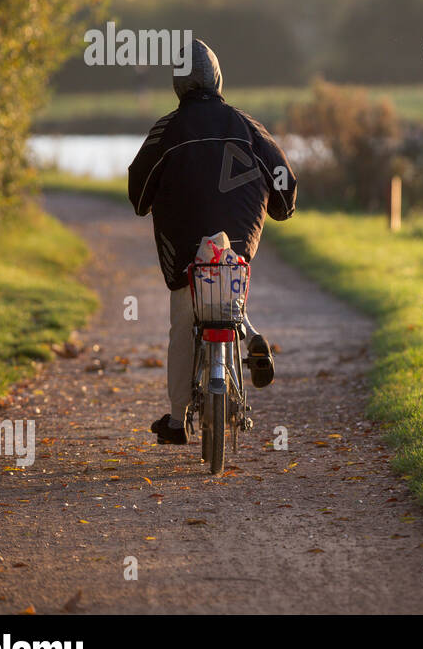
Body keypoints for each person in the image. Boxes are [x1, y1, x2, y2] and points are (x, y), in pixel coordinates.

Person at [127, 40, 298, 446]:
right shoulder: (248, 126)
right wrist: (279, 208)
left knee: (183, 322)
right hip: (237, 243)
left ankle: (175, 418)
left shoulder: (166, 130)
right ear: (219, 79)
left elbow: (139, 193)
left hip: (187, 249)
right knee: (227, 291)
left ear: (178, 85)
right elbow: (284, 184)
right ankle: (249, 332)